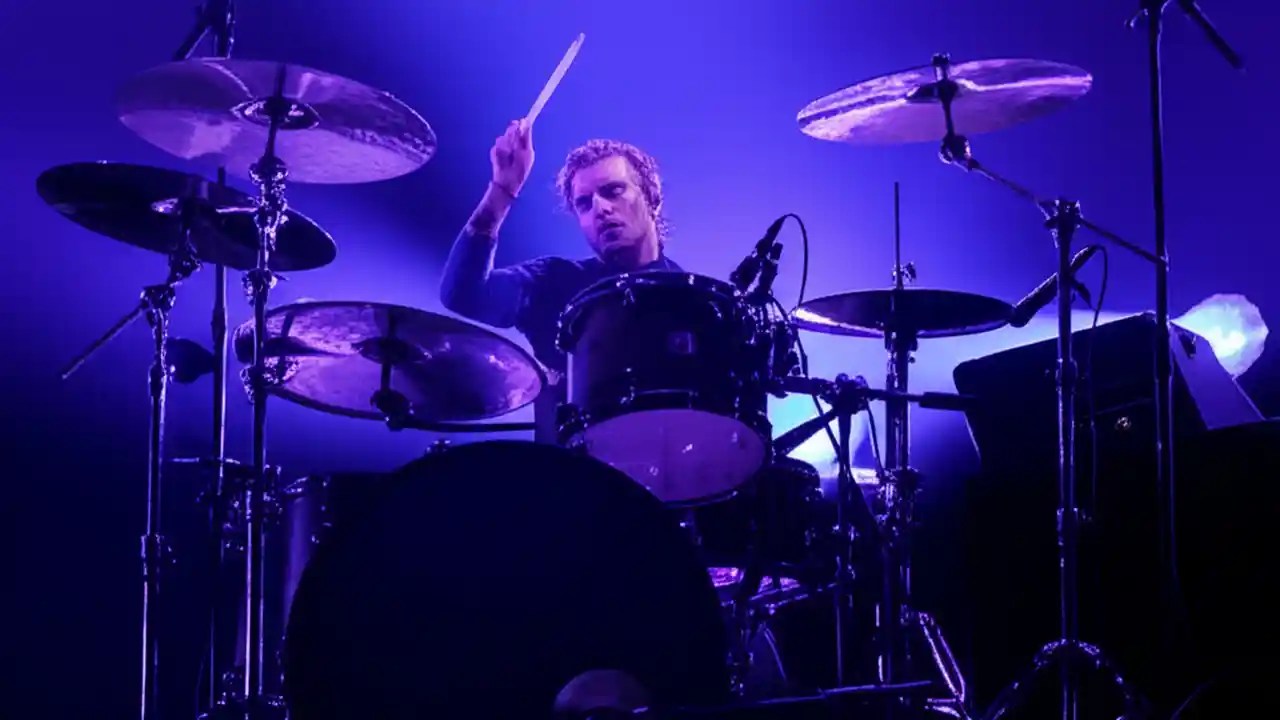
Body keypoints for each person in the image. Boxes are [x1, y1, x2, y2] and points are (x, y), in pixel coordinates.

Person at [439, 118, 684, 442]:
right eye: (584, 203)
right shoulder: (554, 283)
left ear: (653, 198)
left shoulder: (690, 298)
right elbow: (463, 294)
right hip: (570, 482)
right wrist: (502, 191)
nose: (600, 208)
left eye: (613, 191)